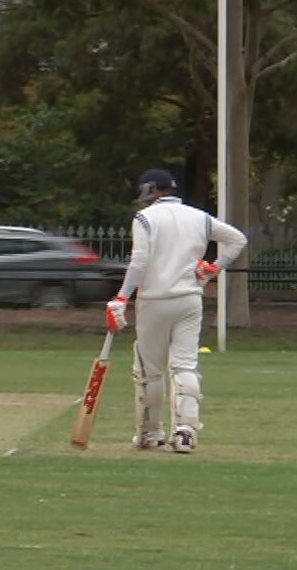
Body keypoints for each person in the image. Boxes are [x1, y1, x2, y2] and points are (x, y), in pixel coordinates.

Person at [106, 169, 246, 453]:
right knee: (185, 365)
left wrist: (122, 297)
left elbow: (139, 261)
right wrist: (214, 268)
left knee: (150, 369)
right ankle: (186, 433)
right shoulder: (199, 217)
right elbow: (237, 240)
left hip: (154, 300)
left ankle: (150, 433)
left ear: (151, 189)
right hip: (189, 299)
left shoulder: (145, 218)